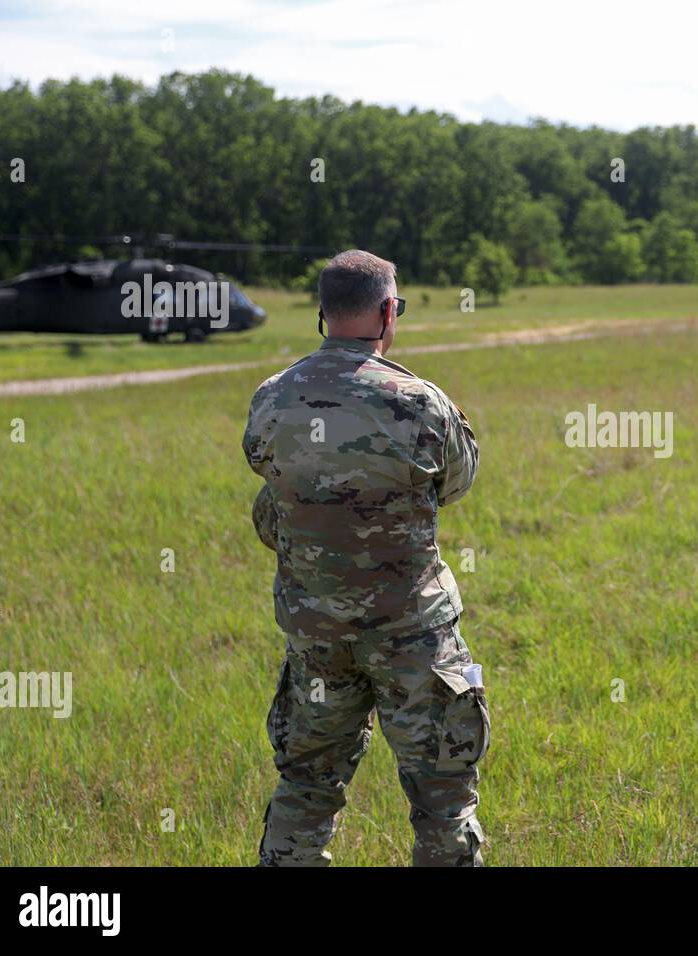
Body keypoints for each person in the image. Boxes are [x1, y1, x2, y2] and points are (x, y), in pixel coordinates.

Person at [244, 249, 487, 866]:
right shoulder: (420, 402)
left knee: (305, 786)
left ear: (323, 313)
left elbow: (272, 495)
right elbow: (455, 484)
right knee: (442, 801)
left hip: (316, 633)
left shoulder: (272, 398)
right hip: (412, 636)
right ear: (386, 311)